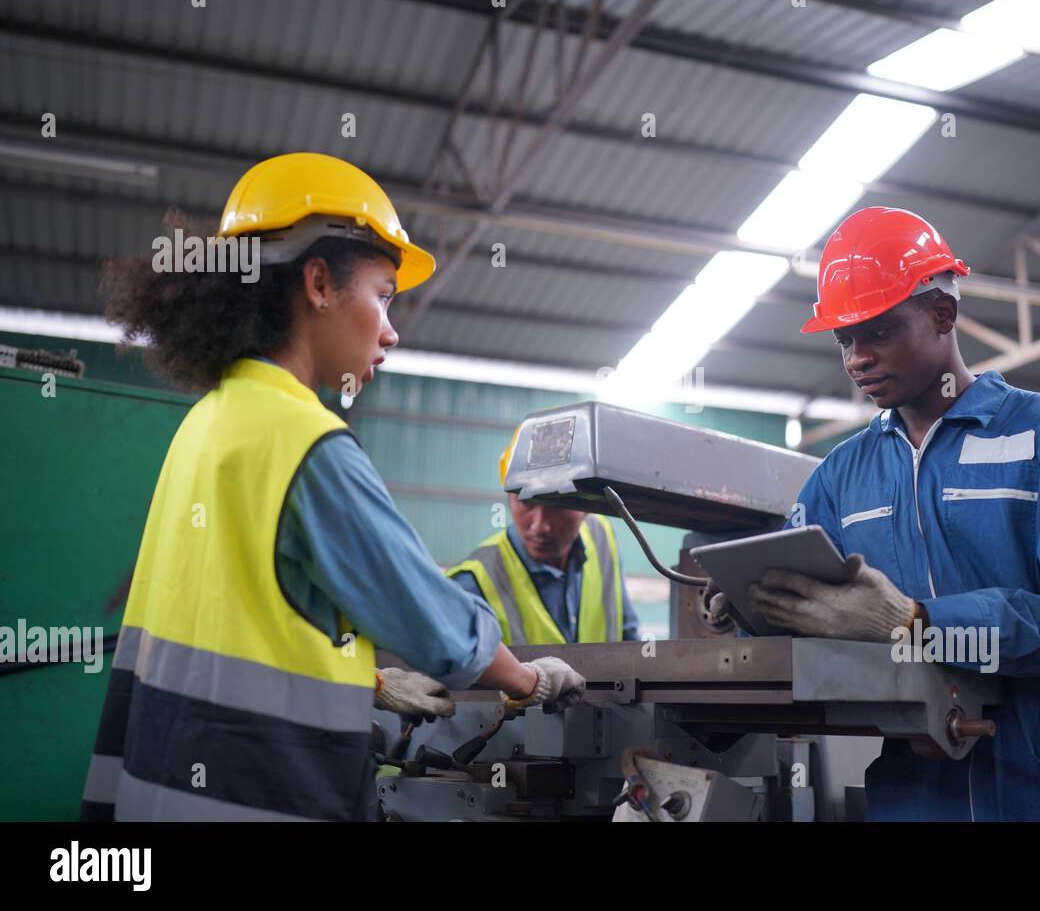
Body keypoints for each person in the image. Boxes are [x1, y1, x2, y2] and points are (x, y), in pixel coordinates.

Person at [82, 152, 584, 822]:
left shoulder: (207, 422)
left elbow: (238, 612)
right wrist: (527, 680)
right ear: (319, 283)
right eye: (382, 294)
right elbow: (432, 623)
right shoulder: (304, 441)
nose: (391, 329)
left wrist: (365, 678)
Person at [715, 206, 1040, 821]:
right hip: (923, 783)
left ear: (942, 314)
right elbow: (808, 626)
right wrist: (752, 609)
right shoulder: (840, 477)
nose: (856, 359)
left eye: (878, 331)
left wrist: (918, 623)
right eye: (844, 340)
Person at [447, 429, 639, 644]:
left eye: (558, 505)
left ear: (588, 505)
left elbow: (626, 630)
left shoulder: (601, 535)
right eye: (526, 502)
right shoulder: (472, 584)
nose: (540, 526)